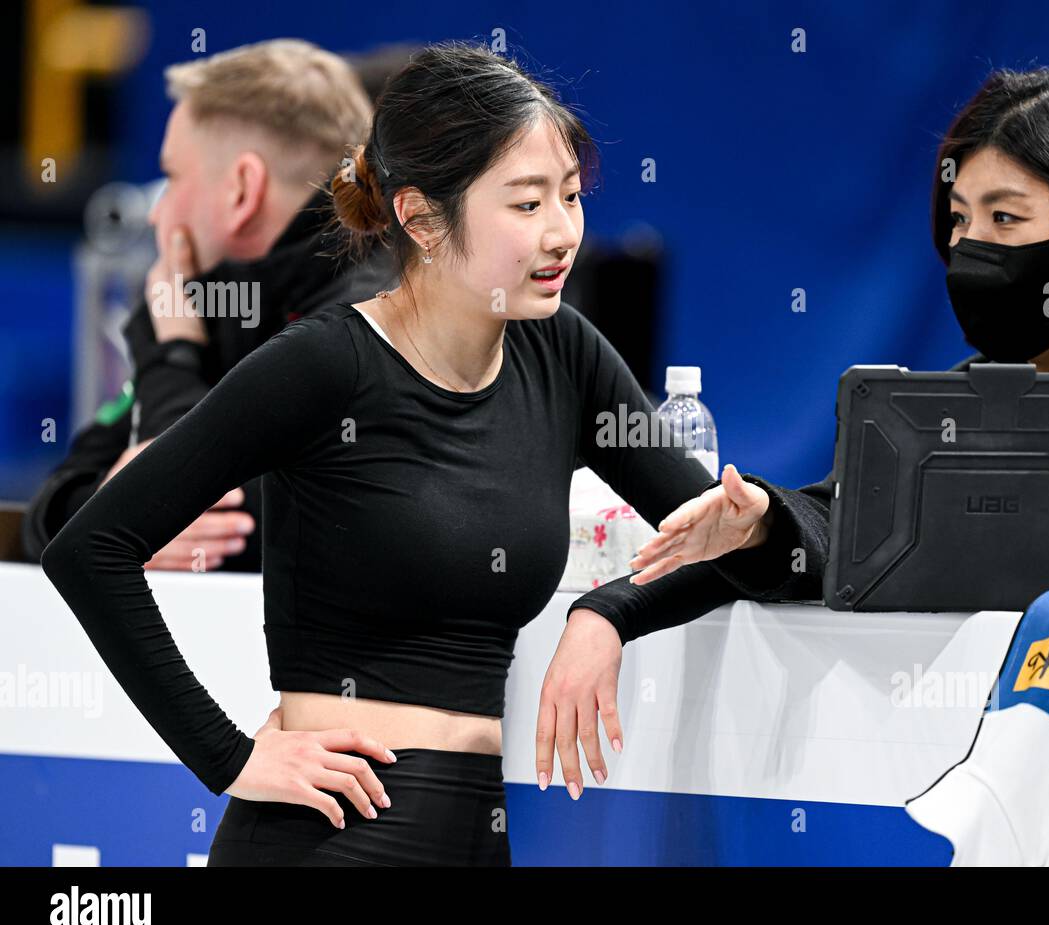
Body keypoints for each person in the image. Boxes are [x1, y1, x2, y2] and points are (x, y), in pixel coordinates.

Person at [39, 40, 826, 867]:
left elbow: (711, 542)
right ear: (418, 217)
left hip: (477, 836)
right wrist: (228, 757)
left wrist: (611, 611)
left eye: (569, 196)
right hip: (328, 839)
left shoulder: (565, 354)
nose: (563, 233)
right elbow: (91, 548)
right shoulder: (322, 365)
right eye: (526, 205)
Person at [537, 64, 1049, 796]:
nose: (971, 249)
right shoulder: (949, 420)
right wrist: (617, 606)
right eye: (960, 219)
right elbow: (840, 534)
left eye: (1006, 217)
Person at [22, 38, 388, 572]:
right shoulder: (201, 299)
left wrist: (172, 357)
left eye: (172, 178)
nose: (157, 214)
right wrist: (107, 510)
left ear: (242, 188)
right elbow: (48, 510)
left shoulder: (378, 313)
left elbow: (245, 525)